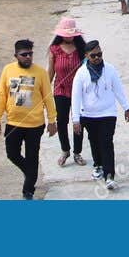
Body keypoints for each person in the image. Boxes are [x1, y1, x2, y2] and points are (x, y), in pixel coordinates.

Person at [0, 38, 58, 199]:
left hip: (34, 125)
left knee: (32, 157)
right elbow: (1, 95)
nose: (28, 57)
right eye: (24, 54)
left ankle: (28, 191)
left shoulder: (40, 73)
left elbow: (48, 97)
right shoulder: (8, 70)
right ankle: (29, 172)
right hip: (13, 123)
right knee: (12, 154)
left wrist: (52, 120)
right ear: (16, 55)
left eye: (30, 54)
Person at [71, 40, 129, 190]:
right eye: (93, 56)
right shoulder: (81, 73)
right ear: (86, 56)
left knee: (106, 142)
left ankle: (109, 175)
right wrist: (76, 119)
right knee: (94, 141)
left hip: (107, 113)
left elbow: (118, 89)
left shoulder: (110, 70)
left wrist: (126, 107)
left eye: (99, 54)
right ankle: (98, 165)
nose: (97, 58)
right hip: (88, 115)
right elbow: (76, 97)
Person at [47, 19, 88, 167]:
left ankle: (77, 152)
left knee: (79, 121)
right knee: (62, 121)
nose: (69, 37)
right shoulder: (54, 49)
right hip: (61, 89)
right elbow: (51, 72)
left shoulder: (82, 49)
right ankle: (65, 150)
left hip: (79, 91)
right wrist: (44, 90)